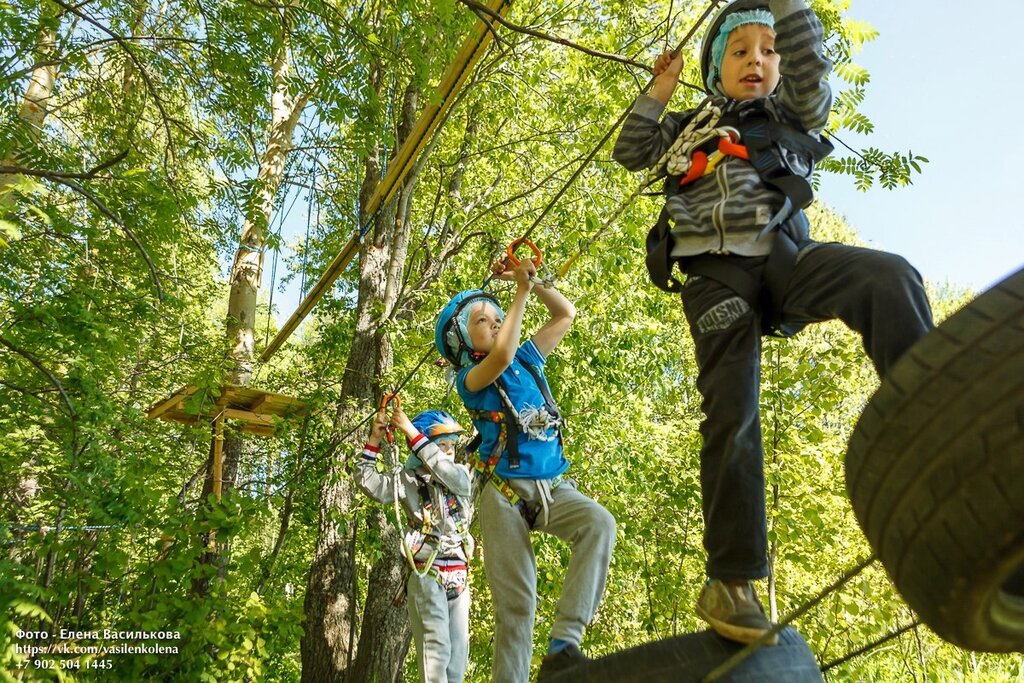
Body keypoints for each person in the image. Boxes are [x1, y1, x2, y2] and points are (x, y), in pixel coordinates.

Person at [612, 0, 933, 645]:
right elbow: (630, 150)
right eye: (738, 51)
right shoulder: (685, 125)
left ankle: (929, 417)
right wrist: (658, 92)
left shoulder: (788, 116)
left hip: (787, 258)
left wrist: (787, 8)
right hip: (715, 276)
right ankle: (731, 581)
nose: (754, 60)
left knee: (889, 276)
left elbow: (812, 74)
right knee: (733, 409)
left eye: (766, 50)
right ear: (715, 68)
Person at [434, 257, 617, 682]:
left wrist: (531, 281)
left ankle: (565, 644)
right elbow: (500, 354)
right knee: (518, 606)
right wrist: (516, 290)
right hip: (504, 496)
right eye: (483, 320)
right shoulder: (471, 378)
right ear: (463, 341)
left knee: (599, 524)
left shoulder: (529, 360)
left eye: (499, 317)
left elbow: (565, 313)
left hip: (553, 487)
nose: (496, 323)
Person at [356, 406, 474, 683]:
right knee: (437, 651)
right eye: (441, 445)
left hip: (458, 573)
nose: (447, 451)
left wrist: (411, 432)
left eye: (451, 445)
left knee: (458, 657)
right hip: (427, 571)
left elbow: (448, 472)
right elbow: (368, 482)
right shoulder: (408, 481)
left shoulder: (461, 477)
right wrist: (374, 440)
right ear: (421, 449)